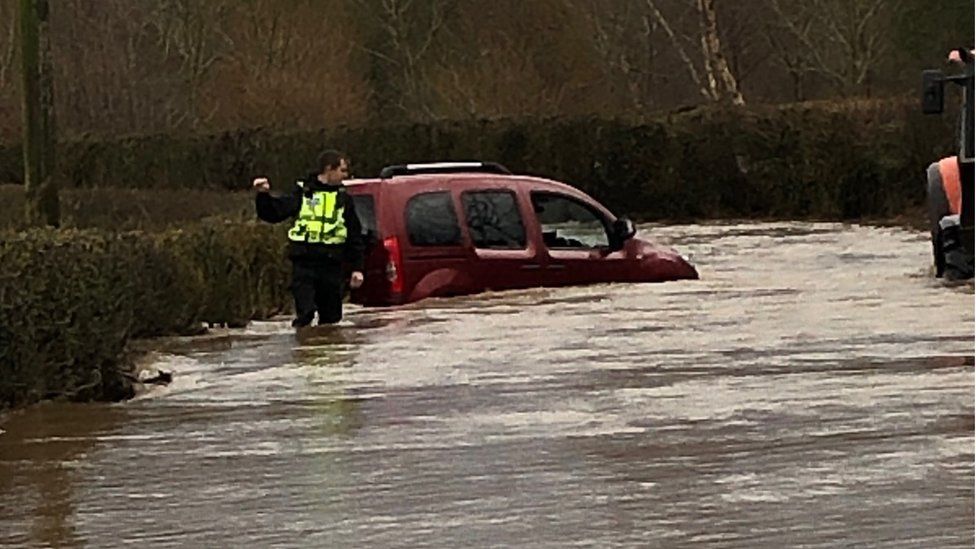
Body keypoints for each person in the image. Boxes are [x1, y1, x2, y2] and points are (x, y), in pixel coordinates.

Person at [254, 150, 365, 327]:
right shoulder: (303, 192)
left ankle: (330, 352)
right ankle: (302, 350)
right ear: (329, 169)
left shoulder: (343, 198)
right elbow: (274, 213)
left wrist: (357, 268)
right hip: (305, 264)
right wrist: (263, 196)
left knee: (332, 320)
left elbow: (354, 235)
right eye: (342, 170)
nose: (346, 175)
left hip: (332, 266)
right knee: (305, 314)